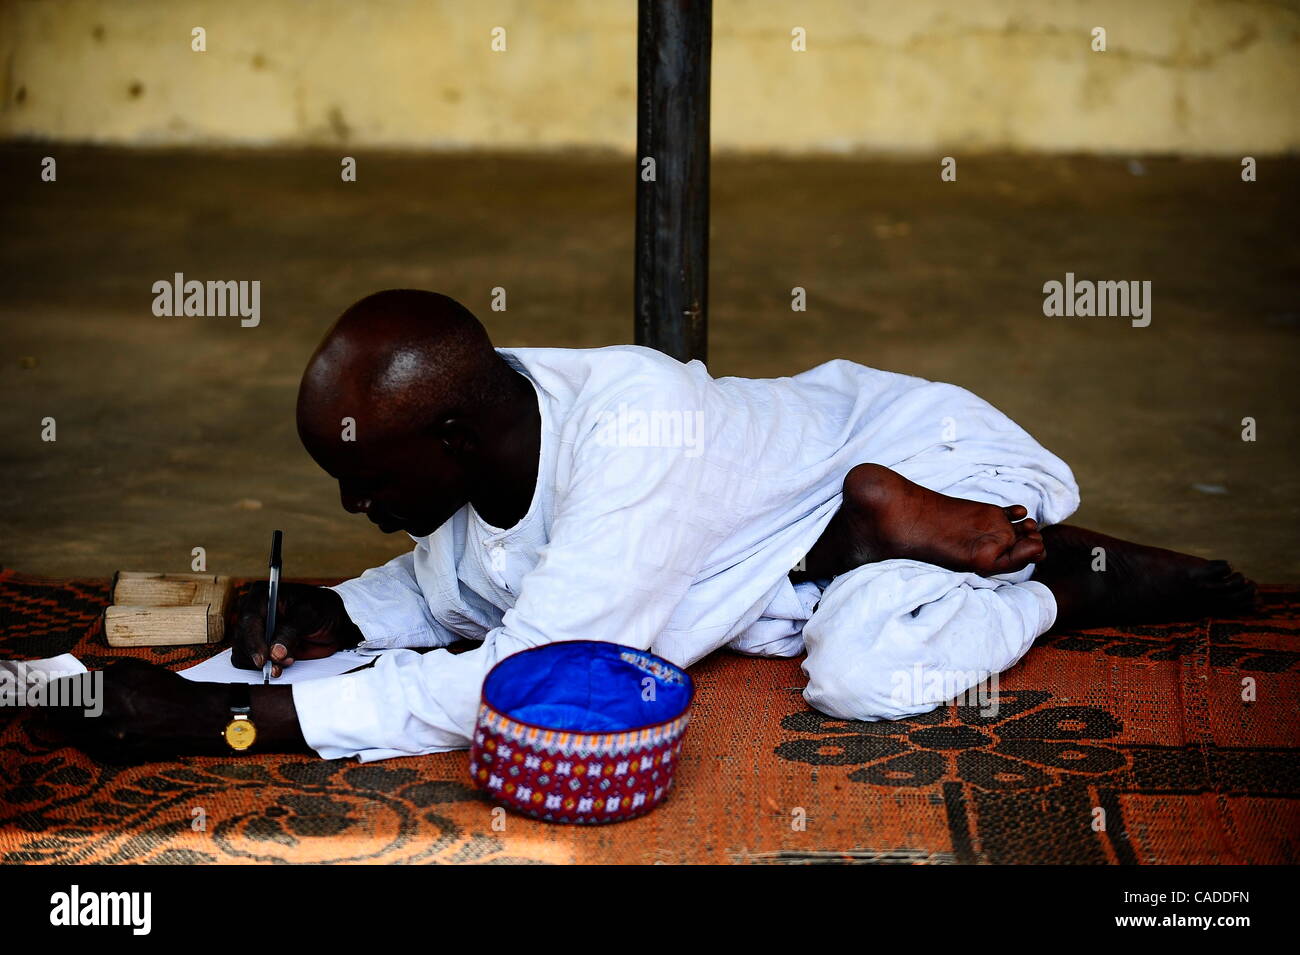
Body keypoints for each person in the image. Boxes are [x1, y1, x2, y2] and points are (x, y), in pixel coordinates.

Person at [40, 290, 1256, 761]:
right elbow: (469, 578)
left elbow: (520, 684)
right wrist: (341, 608)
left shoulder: (634, 437)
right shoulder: (502, 432)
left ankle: (1054, 576)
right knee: (807, 619)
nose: (351, 509)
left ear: (455, 440)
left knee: (865, 672)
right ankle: (862, 540)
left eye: (363, 484)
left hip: (938, 461)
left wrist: (220, 714)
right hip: (785, 543)